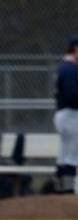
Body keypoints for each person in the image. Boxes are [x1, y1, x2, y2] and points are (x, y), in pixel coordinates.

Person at [54, 36, 78, 194]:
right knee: (72, 155)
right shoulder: (70, 69)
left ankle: (61, 191)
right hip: (70, 115)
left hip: (64, 114)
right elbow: (72, 96)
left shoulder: (64, 67)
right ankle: (68, 193)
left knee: (64, 155)